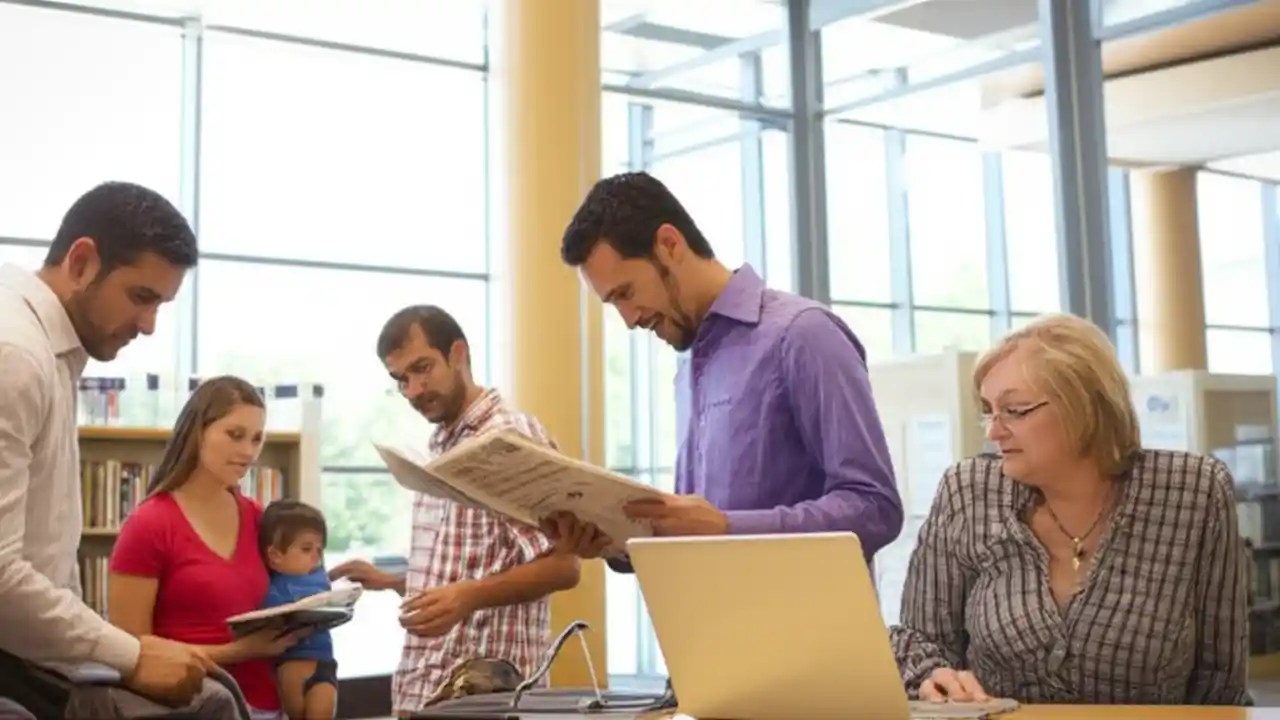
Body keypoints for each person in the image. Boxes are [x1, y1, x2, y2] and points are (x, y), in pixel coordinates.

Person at [890, 314, 1249, 705]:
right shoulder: (968, 491)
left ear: (1085, 407)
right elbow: (920, 641)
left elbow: (1221, 683)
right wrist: (931, 676)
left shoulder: (1192, 493)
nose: (993, 430)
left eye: (1016, 410)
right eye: (989, 410)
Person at [549, 171, 902, 567]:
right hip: (709, 623)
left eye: (626, 294)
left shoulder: (804, 335)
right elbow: (695, 534)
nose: (629, 320)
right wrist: (614, 540)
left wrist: (727, 528)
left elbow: (875, 507)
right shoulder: (688, 368)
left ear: (669, 244)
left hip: (804, 626)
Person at [0, 181, 214, 708]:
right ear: (81, 261)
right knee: (206, 703)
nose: (148, 325)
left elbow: (43, 549)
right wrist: (129, 655)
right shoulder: (16, 356)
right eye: (141, 297)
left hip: (28, 648)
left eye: (161, 305)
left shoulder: (49, 344)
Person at [328, 305, 581, 717]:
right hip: (426, 690)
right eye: (401, 380)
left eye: (422, 368)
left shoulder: (510, 437)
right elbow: (471, 565)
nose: (412, 390)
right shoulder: (442, 443)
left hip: (488, 697)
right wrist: (397, 581)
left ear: (459, 353)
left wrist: (468, 598)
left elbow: (564, 567)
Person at [109, 376, 309, 717]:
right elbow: (132, 654)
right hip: (189, 708)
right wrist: (237, 651)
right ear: (198, 431)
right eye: (235, 435)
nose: (248, 451)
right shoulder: (149, 524)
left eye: (257, 439)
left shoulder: (260, 520)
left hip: (265, 707)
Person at [258, 500, 338, 720]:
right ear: (275, 556)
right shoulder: (273, 588)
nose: (315, 556)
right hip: (292, 664)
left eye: (319, 550)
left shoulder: (320, 576)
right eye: (306, 549)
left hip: (325, 662)